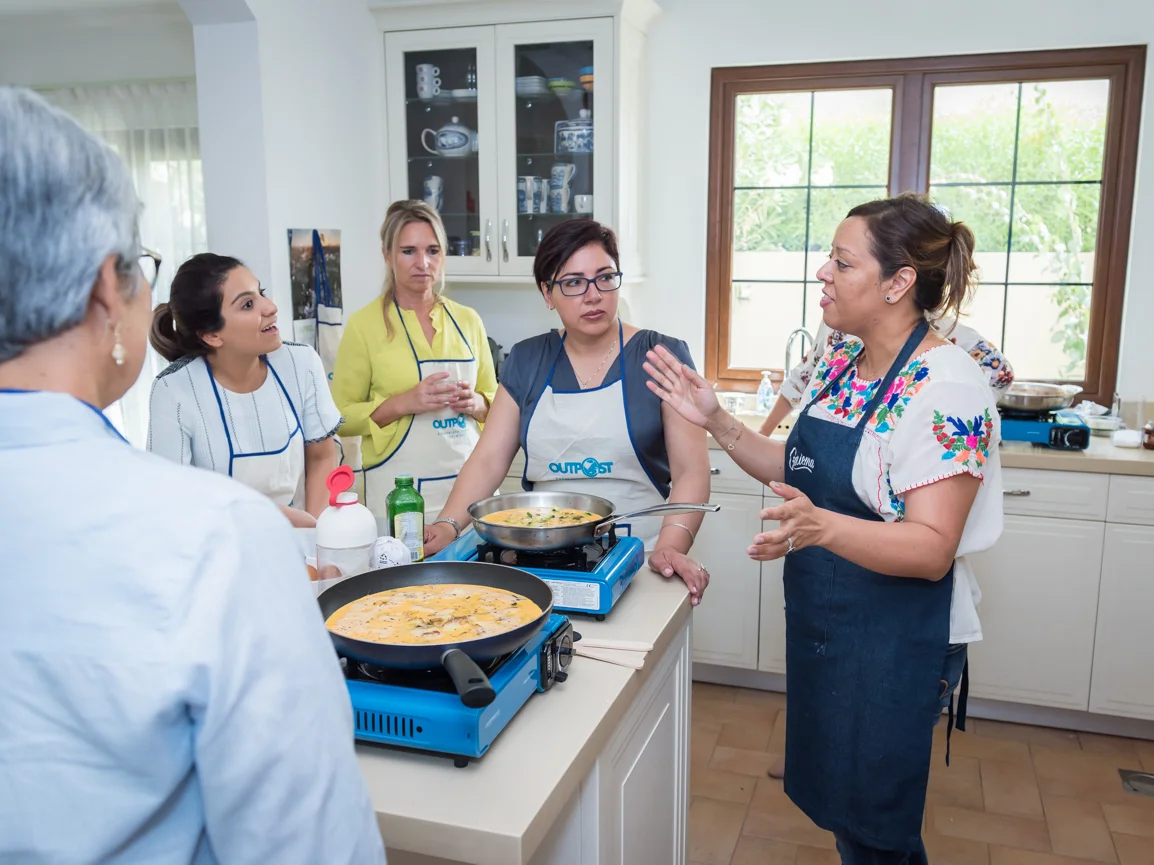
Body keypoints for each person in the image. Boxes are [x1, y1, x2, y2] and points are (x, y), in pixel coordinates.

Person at [0, 86, 385, 864]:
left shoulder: (292, 377)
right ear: (109, 291)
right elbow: (308, 845)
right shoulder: (213, 538)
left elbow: (323, 453)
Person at [645, 194, 1002, 862]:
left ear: (898, 283)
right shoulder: (845, 360)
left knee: (878, 832)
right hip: (835, 629)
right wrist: (715, 418)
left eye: (841, 261)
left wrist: (822, 527)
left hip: (903, 640)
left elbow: (931, 547)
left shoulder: (946, 385)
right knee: (848, 815)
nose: (823, 272)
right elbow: (795, 463)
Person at [424, 219, 713, 602]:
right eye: (573, 282)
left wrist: (670, 545)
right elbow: (489, 459)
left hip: (642, 562)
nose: (593, 295)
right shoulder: (527, 360)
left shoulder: (660, 356)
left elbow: (692, 471)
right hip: (538, 563)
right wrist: (448, 522)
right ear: (547, 293)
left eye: (604, 277)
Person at [331, 200, 497, 522]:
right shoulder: (364, 325)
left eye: (433, 250)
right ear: (387, 256)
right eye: (409, 251)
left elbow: (497, 402)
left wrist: (476, 403)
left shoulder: (468, 320)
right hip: (399, 493)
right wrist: (402, 403)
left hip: (470, 488)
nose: (423, 262)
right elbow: (339, 417)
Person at [147, 254, 342, 528]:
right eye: (248, 304)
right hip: (221, 552)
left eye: (261, 293)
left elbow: (322, 456)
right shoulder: (174, 391)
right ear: (211, 335)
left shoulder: (301, 364)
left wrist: (314, 543)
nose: (271, 307)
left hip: (301, 549)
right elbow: (173, 499)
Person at [761, 311, 1013, 437]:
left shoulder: (937, 327)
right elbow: (804, 377)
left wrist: (961, 419)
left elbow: (1001, 371)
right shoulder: (836, 323)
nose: (825, 275)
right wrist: (763, 434)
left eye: (844, 263)